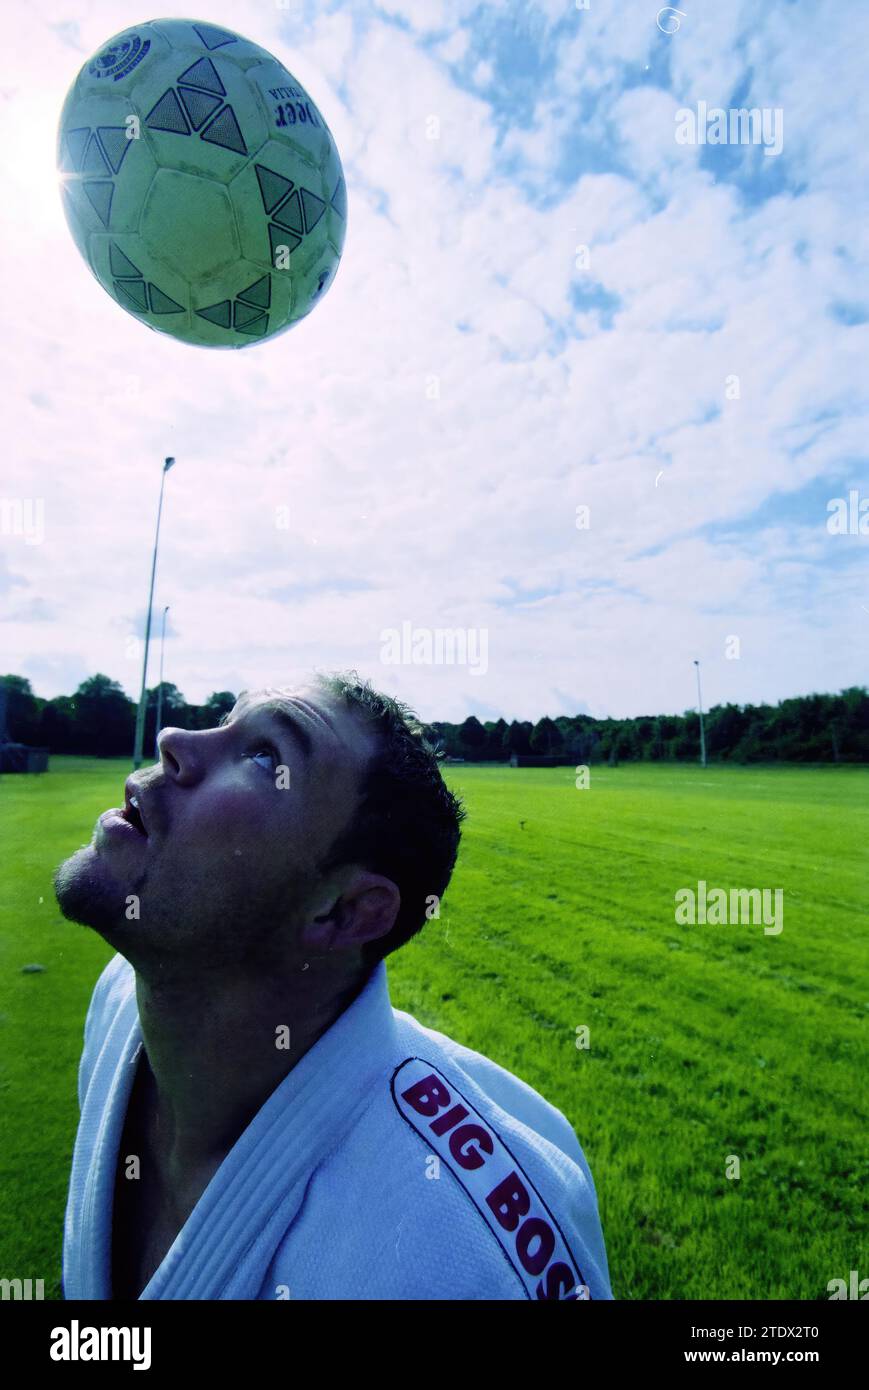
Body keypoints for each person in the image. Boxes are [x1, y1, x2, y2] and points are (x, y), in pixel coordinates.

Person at [55, 672, 612, 1301]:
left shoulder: (463, 1262)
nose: (175, 737)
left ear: (345, 912)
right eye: (226, 718)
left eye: (265, 757)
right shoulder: (121, 1000)